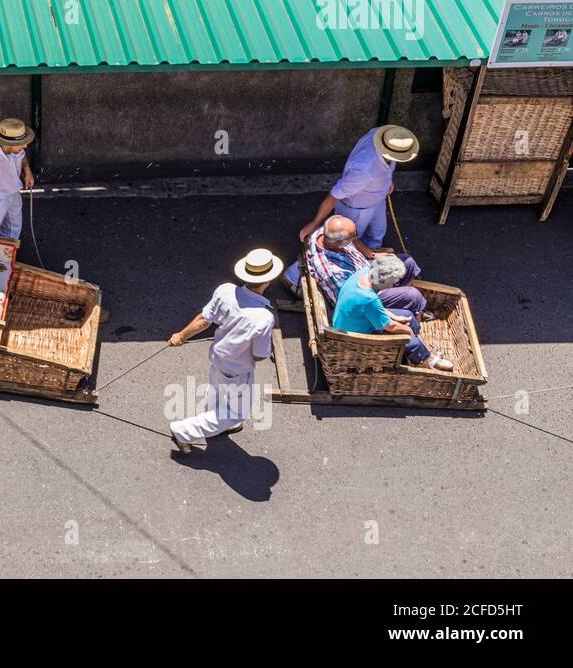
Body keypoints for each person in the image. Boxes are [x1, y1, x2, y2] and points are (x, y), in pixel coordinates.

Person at [168, 248, 282, 454]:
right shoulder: (264, 318)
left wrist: (181, 336)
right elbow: (259, 355)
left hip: (218, 357)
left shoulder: (225, 290)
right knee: (237, 413)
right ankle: (183, 431)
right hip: (237, 368)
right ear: (268, 281)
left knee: (217, 391)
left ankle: (212, 420)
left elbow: (204, 320)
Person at [298, 125, 419, 250]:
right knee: (349, 245)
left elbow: (390, 162)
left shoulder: (380, 135)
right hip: (357, 211)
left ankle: (370, 255)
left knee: (376, 237)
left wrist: (388, 180)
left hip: (378, 202)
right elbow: (334, 196)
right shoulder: (364, 170)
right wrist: (314, 223)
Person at [332, 254, 453, 372]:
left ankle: (413, 353)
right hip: (353, 335)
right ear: (382, 279)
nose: (392, 286)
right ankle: (426, 359)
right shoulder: (369, 298)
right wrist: (408, 332)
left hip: (359, 319)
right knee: (409, 338)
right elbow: (390, 325)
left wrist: (394, 316)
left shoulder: (364, 273)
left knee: (409, 317)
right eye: (392, 283)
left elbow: (371, 308)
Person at [301, 215, 426, 316]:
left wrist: (373, 255)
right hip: (363, 292)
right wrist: (380, 290)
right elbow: (353, 298)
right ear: (340, 243)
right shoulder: (331, 272)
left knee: (407, 262)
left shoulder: (326, 233)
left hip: (366, 269)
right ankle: (409, 308)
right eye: (353, 236)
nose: (355, 238)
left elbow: (354, 241)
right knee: (412, 295)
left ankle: (402, 300)